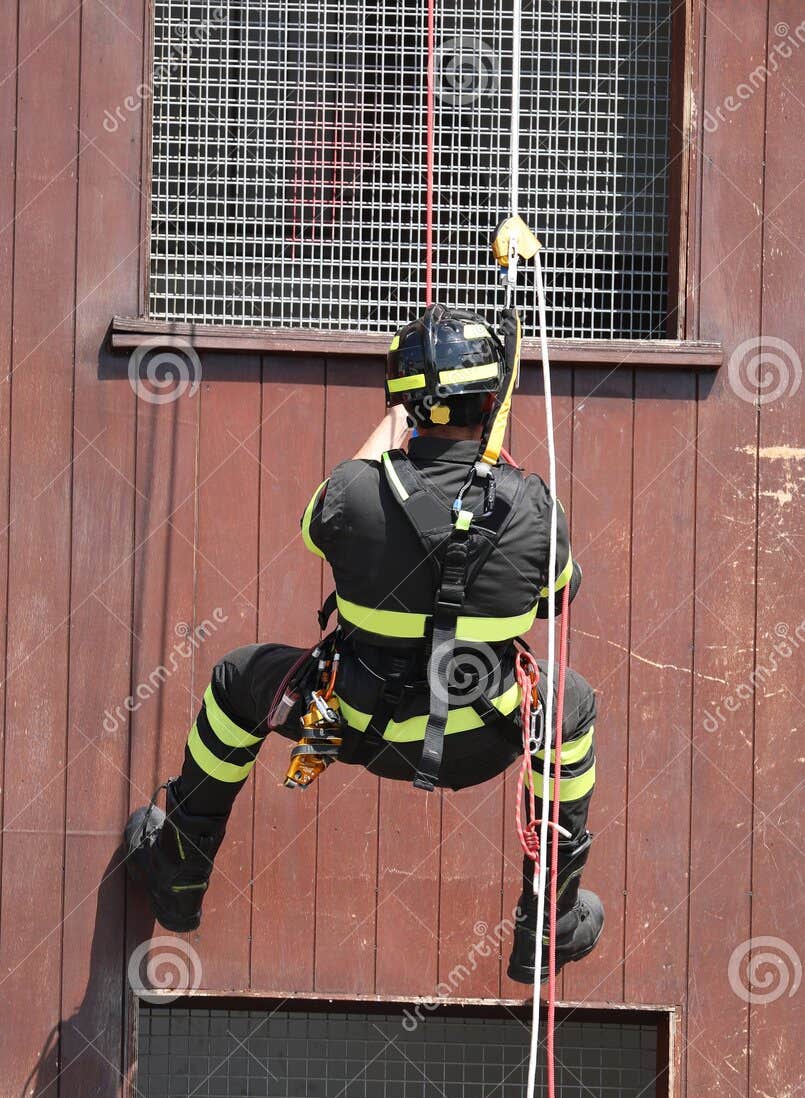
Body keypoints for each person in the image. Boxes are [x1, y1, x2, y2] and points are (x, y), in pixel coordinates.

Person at [124, 303, 603, 984]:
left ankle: (178, 873)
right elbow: (558, 596)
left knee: (238, 680)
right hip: (480, 741)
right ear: (492, 402)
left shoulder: (351, 491)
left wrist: (402, 420)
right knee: (569, 700)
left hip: (357, 730)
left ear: (402, 403)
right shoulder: (531, 504)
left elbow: (327, 515)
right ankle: (546, 922)